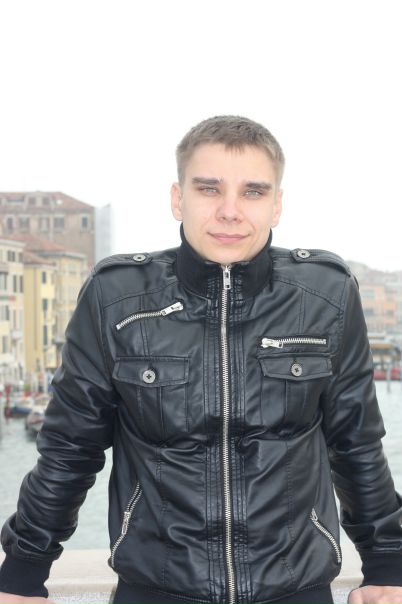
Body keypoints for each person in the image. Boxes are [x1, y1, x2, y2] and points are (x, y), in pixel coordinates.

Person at [1, 115, 401, 604]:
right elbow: (70, 449)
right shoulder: (115, 298)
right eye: (209, 189)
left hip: (296, 588)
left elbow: (356, 443)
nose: (229, 211)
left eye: (252, 192)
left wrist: (387, 565)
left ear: (276, 205)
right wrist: (22, 573)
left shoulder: (327, 295)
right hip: (156, 589)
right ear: (178, 198)